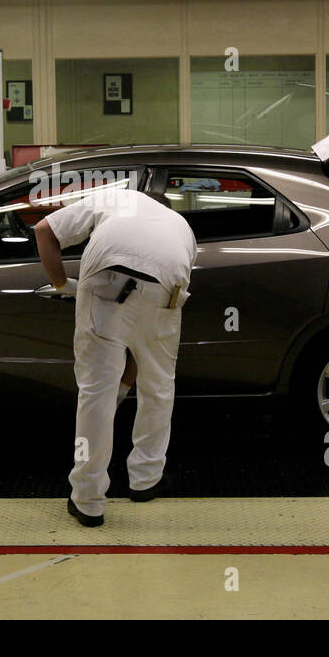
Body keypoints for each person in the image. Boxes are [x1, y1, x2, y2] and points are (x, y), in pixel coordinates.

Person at [34, 185, 196, 527]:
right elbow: (142, 338)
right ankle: (146, 481)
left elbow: (44, 231)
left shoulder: (117, 198)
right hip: (167, 285)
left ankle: (87, 499)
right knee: (159, 387)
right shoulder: (182, 227)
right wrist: (127, 383)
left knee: (95, 394)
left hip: (105, 275)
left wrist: (63, 285)